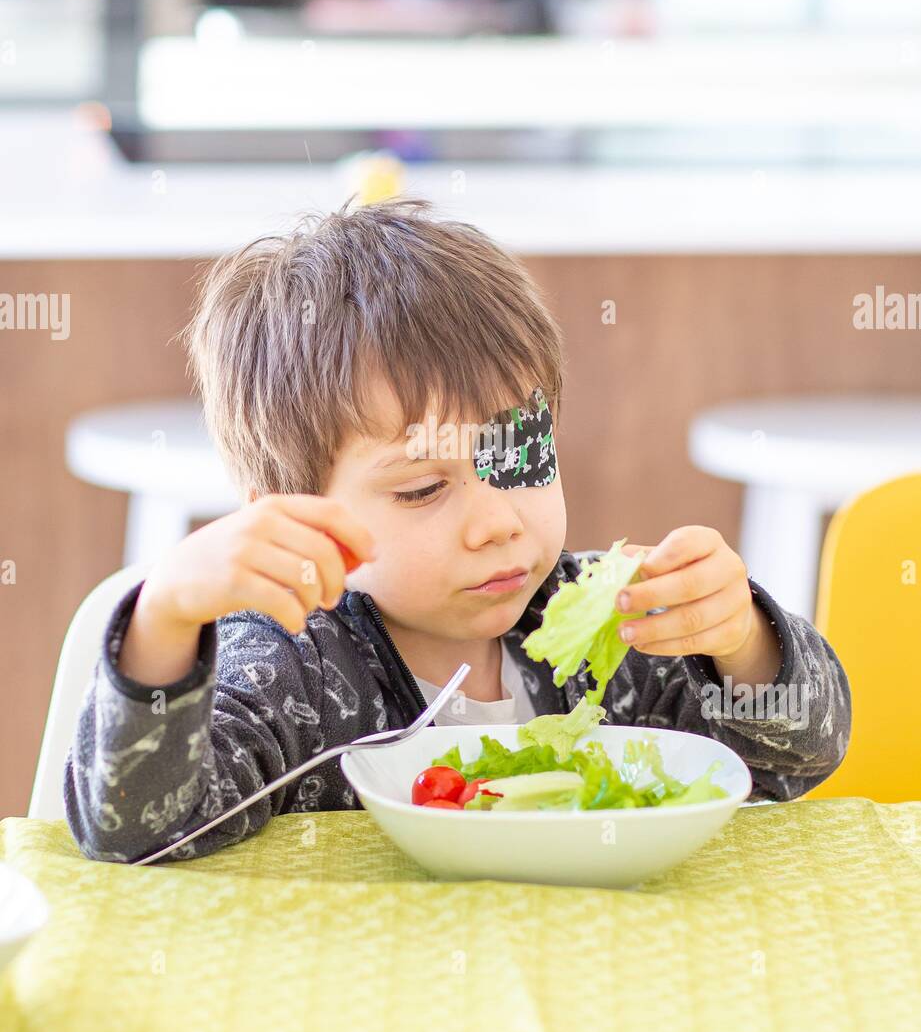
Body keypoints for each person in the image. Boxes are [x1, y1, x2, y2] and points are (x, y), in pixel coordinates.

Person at [64, 197, 851, 863]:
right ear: (291, 511)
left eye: (524, 457)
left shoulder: (606, 634)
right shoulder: (288, 662)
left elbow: (801, 756)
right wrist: (164, 617)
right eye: (421, 488)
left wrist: (739, 638)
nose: (497, 523)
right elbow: (138, 831)